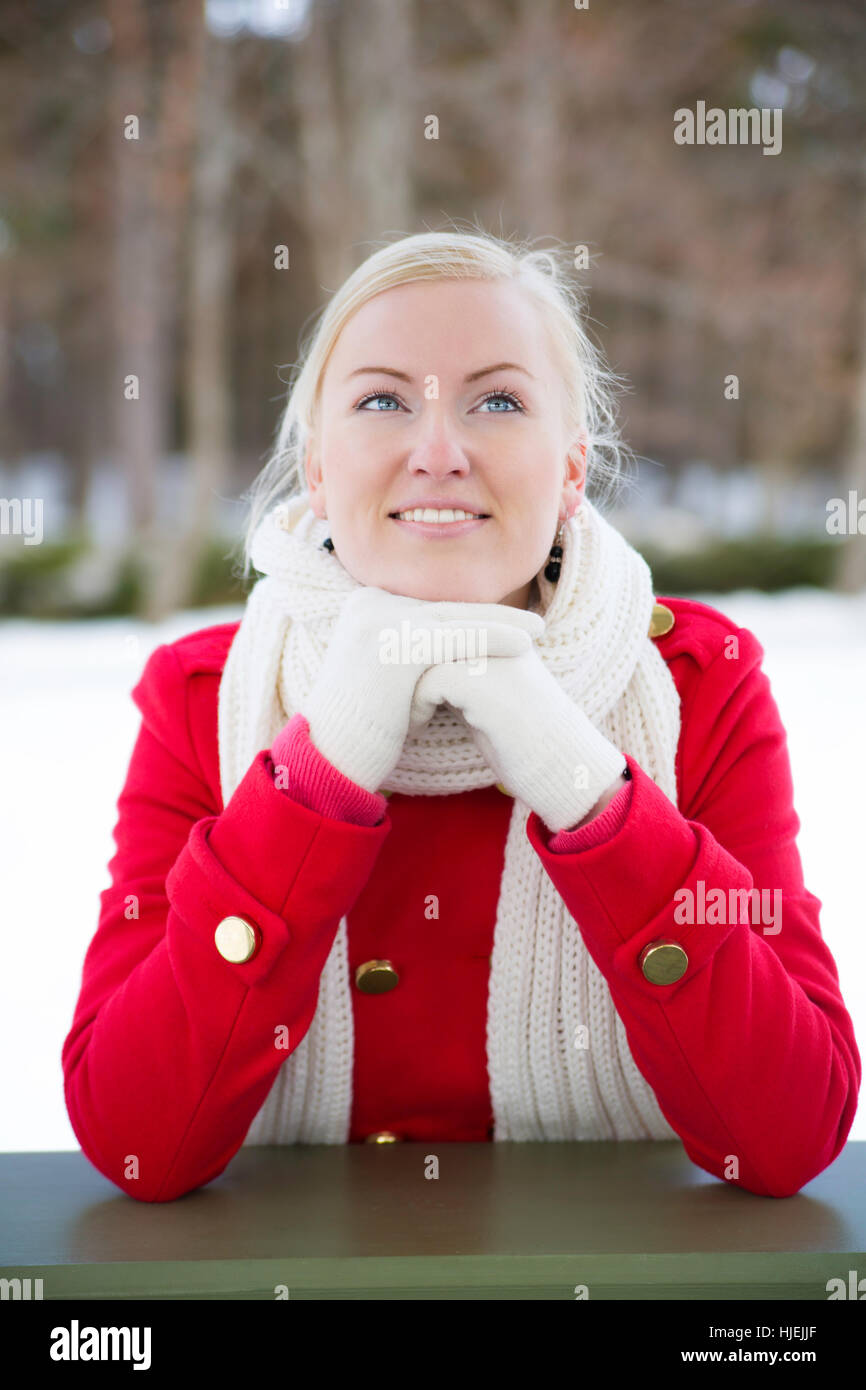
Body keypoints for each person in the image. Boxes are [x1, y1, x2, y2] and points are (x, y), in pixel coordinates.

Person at [62, 229, 860, 1203]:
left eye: (496, 401)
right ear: (317, 468)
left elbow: (787, 1135)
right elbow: (137, 1142)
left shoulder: (698, 682)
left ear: (570, 468)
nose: (437, 453)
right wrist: (315, 776)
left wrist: (590, 791)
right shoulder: (204, 699)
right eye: (382, 400)